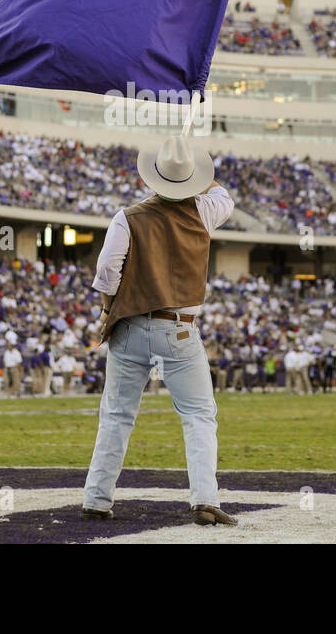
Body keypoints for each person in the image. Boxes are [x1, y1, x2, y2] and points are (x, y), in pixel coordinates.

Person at [82, 135, 237, 526]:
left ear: (152, 178)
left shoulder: (127, 217)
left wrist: (106, 310)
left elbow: (106, 271)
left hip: (131, 324)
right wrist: (193, 170)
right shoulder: (205, 211)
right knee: (199, 415)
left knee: (116, 416)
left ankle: (97, 499)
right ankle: (204, 499)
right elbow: (224, 195)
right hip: (180, 329)